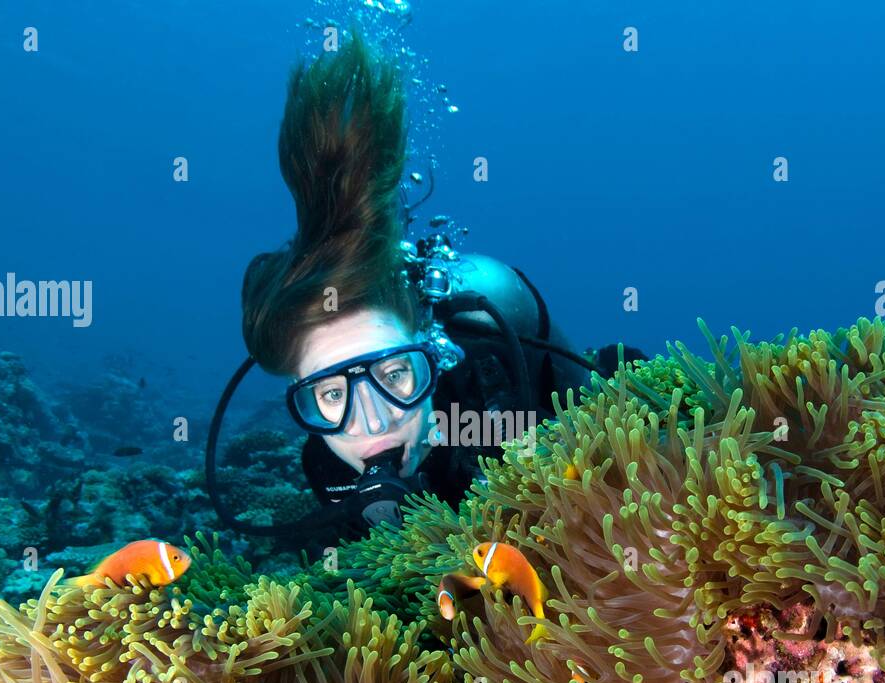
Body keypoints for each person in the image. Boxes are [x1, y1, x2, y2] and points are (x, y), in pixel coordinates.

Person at [214, 31, 639, 558]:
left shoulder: (494, 389)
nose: (372, 420)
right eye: (331, 395)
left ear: (432, 348)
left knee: (612, 392)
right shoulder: (325, 465)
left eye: (394, 375)